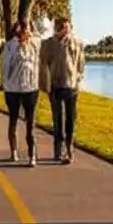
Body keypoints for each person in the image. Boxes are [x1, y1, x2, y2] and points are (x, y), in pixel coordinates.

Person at [39, 16, 85, 164]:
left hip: (71, 87)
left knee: (71, 120)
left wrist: (78, 81)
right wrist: (45, 85)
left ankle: (69, 150)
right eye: (61, 26)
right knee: (57, 120)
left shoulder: (76, 43)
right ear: (56, 27)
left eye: (67, 26)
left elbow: (81, 65)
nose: (64, 29)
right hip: (55, 86)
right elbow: (43, 65)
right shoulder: (48, 44)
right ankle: (58, 150)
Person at [0, 19, 41, 166]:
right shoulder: (10, 46)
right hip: (13, 90)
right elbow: (5, 67)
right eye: (25, 30)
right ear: (18, 31)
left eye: (29, 29)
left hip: (31, 89)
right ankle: (14, 152)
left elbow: (40, 40)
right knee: (13, 121)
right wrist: (6, 84)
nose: (27, 32)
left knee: (31, 124)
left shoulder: (34, 45)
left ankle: (32, 155)